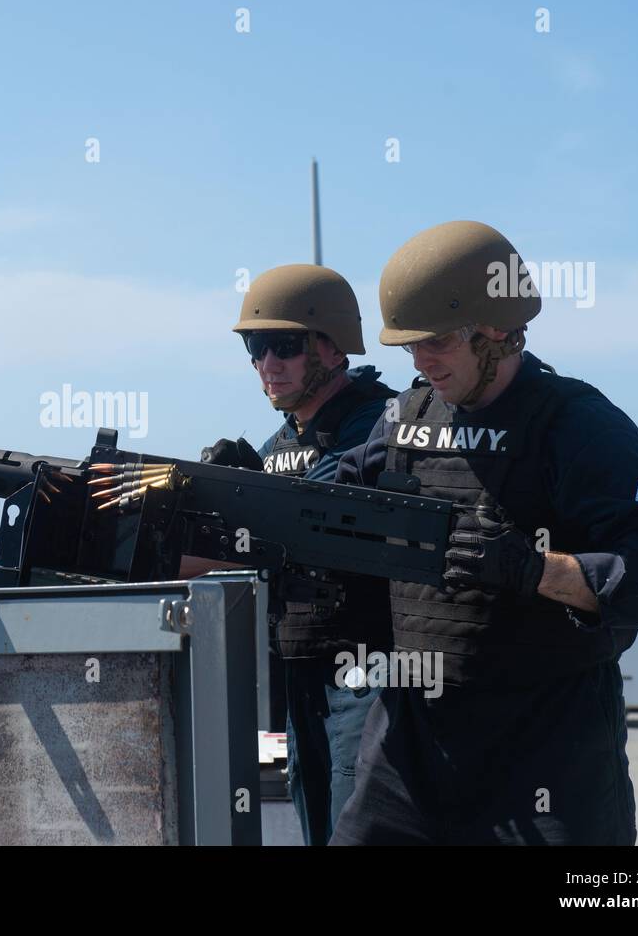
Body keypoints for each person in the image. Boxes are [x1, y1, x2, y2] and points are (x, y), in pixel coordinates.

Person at [330, 220, 638, 845]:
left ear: (495, 331)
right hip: (410, 746)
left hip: (546, 747)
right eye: (409, 348)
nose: (420, 362)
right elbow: (330, 509)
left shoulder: (578, 425)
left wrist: (536, 571)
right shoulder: (403, 419)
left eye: (437, 342)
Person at [203, 264, 396, 845]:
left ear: (333, 348)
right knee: (315, 819)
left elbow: (317, 505)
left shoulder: (380, 422)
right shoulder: (284, 443)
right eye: (256, 348)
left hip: (367, 669)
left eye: (284, 345)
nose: (268, 364)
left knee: (352, 824)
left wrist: (245, 493)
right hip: (303, 669)